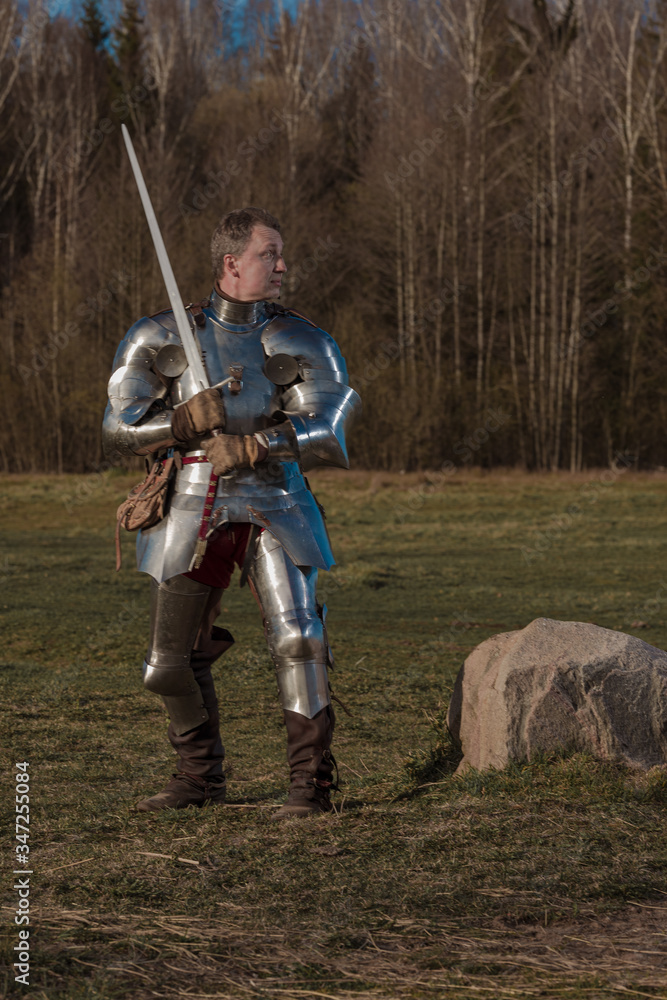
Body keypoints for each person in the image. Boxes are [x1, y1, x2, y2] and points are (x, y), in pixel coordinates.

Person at [102, 206, 360, 819]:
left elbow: (331, 430)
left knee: (300, 637)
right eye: (270, 254)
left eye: (279, 254)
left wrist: (258, 443)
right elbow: (116, 431)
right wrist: (182, 421)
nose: (282, 265)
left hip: (278, 498)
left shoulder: (301, 338)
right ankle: (198, 778)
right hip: (192, 500)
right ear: (231, 263)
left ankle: (310, 786)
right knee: (166, 665)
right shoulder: (157, 335)